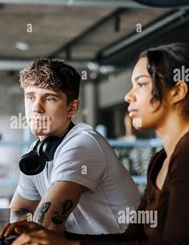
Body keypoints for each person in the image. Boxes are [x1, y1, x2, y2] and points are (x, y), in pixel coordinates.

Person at [0, 43, 189, 245]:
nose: (129, 95)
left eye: (140, 84)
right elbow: (133, 238)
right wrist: (55, 240)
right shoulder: (161, 159)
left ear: (177, 91)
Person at [10, 58, 141, 235]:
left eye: (49, 98)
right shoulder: (36, 152)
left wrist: (29, 228)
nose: (36, 108)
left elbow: (47, 227)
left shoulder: (83, 143)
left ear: (72, 108)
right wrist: (26, 224)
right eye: (30, 97)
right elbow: (19, 208)